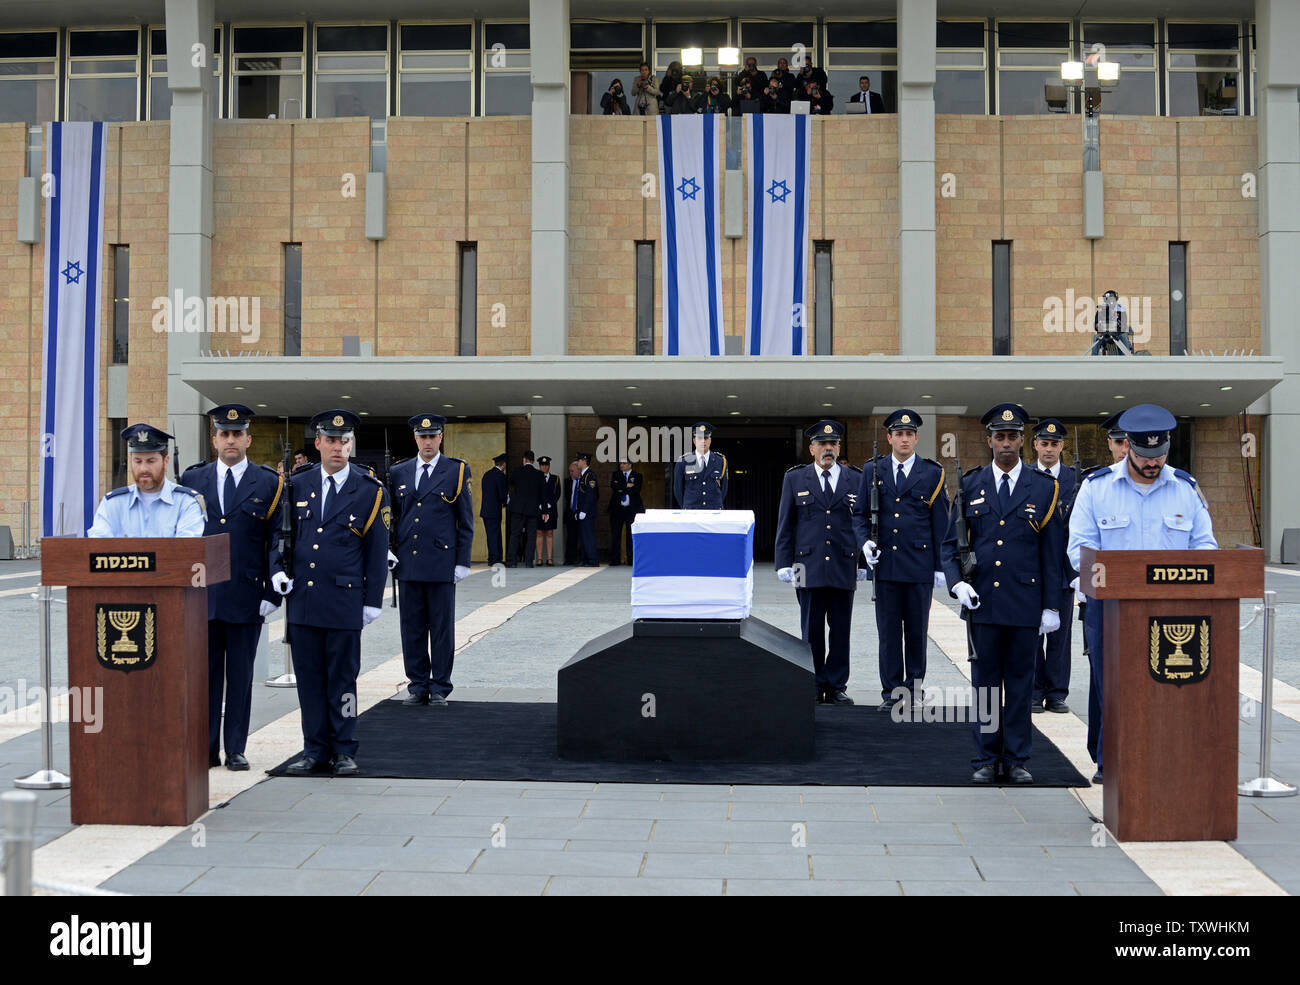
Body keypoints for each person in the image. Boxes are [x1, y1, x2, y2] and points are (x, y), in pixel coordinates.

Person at [1067, 404, 1216, 785]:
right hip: (1112, 608)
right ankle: (1112, 762)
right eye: (1145, 457)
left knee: (1171, 688)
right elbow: (1079, 550)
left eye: (1160, 455)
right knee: (1113, 687)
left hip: (1174, 611)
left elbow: (1205, 547)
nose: (1153, 464)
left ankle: (1164, 757)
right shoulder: (1096, 488)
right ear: (1127, 447)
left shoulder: (1185, 489)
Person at [941, 403, 1064, 785]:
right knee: (985, 685)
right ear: (990, 440)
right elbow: (950, 544)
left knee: (1021, 683)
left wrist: (1051, 607)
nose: (1006, 443)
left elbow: (1051, 553)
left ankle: (1017, 759)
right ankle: (985, 757)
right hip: (983, 603)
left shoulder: (1044, 488)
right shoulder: (971, 484)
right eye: (1000, 436)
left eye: (1013, 436)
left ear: (1022, 440)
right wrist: (956, 583)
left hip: (1025, 605)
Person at [272, 409, 389, 777]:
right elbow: (280, 535)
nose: (338, 447)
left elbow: (376, 550)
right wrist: (277, 569)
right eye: (331, 441)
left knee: (342, 681)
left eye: (344, 441)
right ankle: (314, 750)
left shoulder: (369, 490)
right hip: (305, 601)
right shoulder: (298, 485)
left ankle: (344, 750)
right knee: (309, 680)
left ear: (351, 446)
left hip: (343, 601)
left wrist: (372, 601)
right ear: (318, 443)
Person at [181, 404, 283, 771]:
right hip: (202, 596)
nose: (230, 440)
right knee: (205, 676)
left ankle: (235, 747)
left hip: (246, 596)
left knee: (240, 677)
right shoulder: (192, 481)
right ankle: (206, 748)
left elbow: (276, 539)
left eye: (237, 434)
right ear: (214, 440)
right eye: (224, 434)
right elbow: (182, 538)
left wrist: (272, 592)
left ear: (248, 439)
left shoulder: (269, 482)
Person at [852, 410, 949, 711]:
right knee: (889, 633)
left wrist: (940, 567)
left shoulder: (932, 473)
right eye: (899, 434)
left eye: (909, 434)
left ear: (916, 438)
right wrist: (864, 542)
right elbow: (859, 516)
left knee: (917, 632)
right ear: (890, 438)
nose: (904, 438)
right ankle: (891, 692)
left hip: (919, 565)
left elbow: (940, 524)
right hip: (887, 566)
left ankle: (915, 689)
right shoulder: (873, 470)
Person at [775, 421, 865, 704]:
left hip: (843, 562)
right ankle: (813, 683)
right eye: (822, 444)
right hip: (806, 566)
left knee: (840, 629)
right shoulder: (795, 479)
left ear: (838, 448)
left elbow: (863, 523)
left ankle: (837, 685)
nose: (828, 449)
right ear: (811, 448)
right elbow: (786, 523)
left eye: (833, 444)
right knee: (811, 629)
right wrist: (782, 562)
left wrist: (863, 563)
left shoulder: (856, 479)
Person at [387, 413, 473, 707]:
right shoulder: (399, 471)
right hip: (408, 562)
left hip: (440, 561)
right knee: (411, 627)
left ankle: (440, 686)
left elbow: (466, 519)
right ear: (415, 438)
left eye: (432, 436)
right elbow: (394, 517)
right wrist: (388, 548)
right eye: (422, 436)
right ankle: (417, 685)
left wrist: (462, 560)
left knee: (441, 627)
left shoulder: (456, 470)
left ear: (440, 437)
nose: (427, 441)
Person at [1028, 419, 1077, 715]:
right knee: (1032, 634)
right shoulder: (1025, 477)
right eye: (1044, 443)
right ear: (1035, 445)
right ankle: (1034, 691)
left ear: (1062, 446)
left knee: (1061, 635)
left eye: (1054, 444)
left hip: (1063, 570)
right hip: (1031, 571)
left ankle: (1057, 692)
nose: (1049, 449)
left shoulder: (1075, 479)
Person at [87, 423, 206, 537]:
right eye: (138, 461)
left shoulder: (186, 503)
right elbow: (97, 549)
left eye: (151, 461)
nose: (143, 468)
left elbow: (186, 551)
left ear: (166, 461)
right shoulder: (112, 504)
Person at [673, 422, 728, 509]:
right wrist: (686, 507)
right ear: (694, 440)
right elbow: (677, 489)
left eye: (706, 438)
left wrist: (717, 504)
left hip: (714, 511)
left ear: (710, 439)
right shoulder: (683, 461)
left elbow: (724, 488)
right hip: (692, 511)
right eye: (699, 438)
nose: (703, 441)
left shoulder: (720, 461)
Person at [508, 450, 544, 567]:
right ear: (533, 461)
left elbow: (509, 484)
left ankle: (512, 561)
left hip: (518, 508)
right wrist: (544, 510)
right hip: (532, 509)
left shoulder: (516, 471)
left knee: (515, 535)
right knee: (531, 536)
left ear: (524, 459)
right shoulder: (539, 474)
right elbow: (542, 494)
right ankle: (529, 562)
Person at [608, 458, 644, 565]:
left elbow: (636, 490)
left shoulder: (638, 476)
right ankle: (615, 559)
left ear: (630, 465)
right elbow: (614, 487)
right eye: (621, 463)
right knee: (616, 534)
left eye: (624, 463)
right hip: (617, 509)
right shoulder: (616, 474)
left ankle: (631, 559)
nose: (621, 465)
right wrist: (626, 486)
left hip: (631, 509)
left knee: (630, 534)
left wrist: (622, 488)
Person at [480, 452, 508, 565]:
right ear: (503, 464)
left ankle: (492, 558)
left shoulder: (487, 474)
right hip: (495, 510)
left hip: (485, 510)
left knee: (490, 535)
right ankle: (496, 559)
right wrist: (506, 501)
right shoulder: (500, 476)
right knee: (495, 535)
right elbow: (502, 495)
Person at [572, 452, 599, 566]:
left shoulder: (590, 475)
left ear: (584, 461)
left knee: (588, 536)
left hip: (587, 512)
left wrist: (584, 510)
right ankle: (585, 559)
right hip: (582, 511)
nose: (577, 462)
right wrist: (578, 510)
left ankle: (592, 560)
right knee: (583, 536)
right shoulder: (583, 475)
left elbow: (591, 495)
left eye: (579, 460)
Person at [1090, 289, 1132, 355]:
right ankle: (1094, 358)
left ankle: (1124, 359)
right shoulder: (1101, 311)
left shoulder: (1121, 311)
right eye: (1108, 300)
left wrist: (1116, 332)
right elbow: (1096, 325)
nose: (1110, 302)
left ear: (1115, 300)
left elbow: (1123, 325)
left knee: (1124, 336)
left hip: (1118, 334)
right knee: (1096, 337)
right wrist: (1097, 326)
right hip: (1104, 334)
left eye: (1111, 300)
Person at [536, 456, 560, 565]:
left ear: (549, 466)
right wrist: (540, 505)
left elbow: (557, 493)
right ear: (539, 466)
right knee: (539, 532)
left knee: (550, 533)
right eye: (542, 465)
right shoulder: (535, 478)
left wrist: (549, 505)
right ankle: (539, 558)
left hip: (551, 509)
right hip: (539, 509)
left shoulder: (555, 478)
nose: (544, 467)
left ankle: (550, 559)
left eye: (546, 465)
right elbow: (534, 494)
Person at [563, 461, 581, 565]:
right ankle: (570, 558)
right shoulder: (567, 481)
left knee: (581, 536)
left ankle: (581, 558)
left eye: (572, 471)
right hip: (570, 512)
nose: (570, 473)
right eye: (569, 471)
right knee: (570, 536)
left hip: (581, 513)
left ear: (578, 470)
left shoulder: (584, 480)